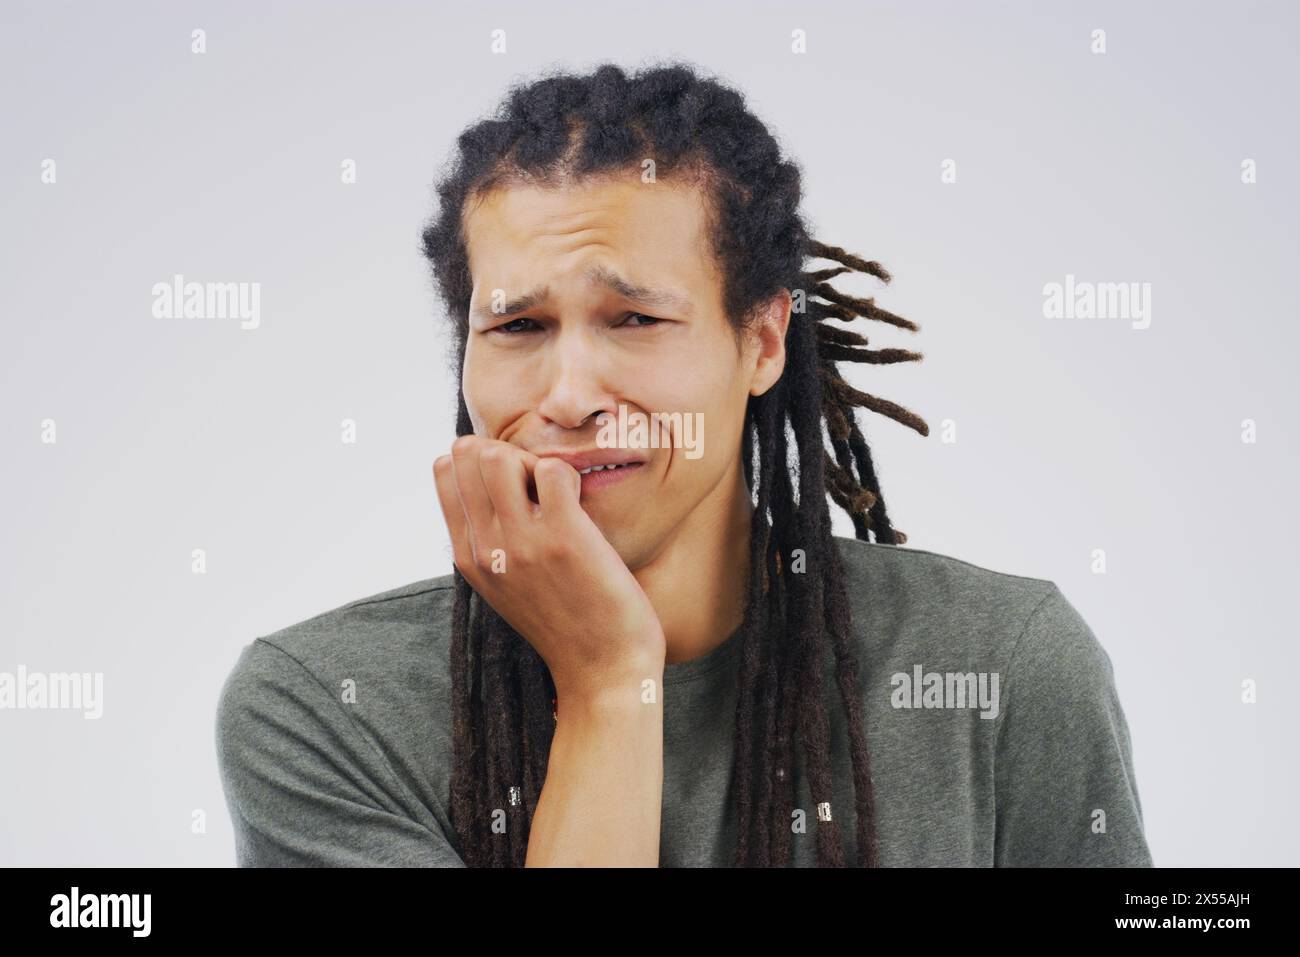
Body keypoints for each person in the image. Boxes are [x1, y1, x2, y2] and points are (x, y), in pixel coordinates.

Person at [215, 60, 1152, 868]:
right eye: (518, 325)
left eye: (635, 319)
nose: (570, 393)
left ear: (763, 341)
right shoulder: (320, 710)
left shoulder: (1003, 666)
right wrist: (609, 683)